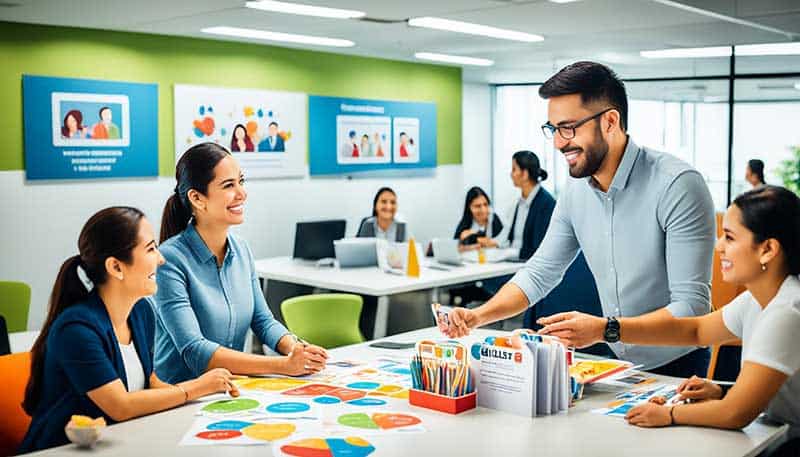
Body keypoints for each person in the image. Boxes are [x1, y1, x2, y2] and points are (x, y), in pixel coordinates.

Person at [442, 61, 717, 378]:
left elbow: (691, 308)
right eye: (553, 129)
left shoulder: (677, 185)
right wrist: (478, 316)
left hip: (680, 363)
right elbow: (540, 272)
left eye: (568, 127)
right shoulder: (576, 190)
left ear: (610, 121)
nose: (559, 142)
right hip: (619, 362)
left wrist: (606, 330)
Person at [541, 186, 800, 454]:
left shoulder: (785, 312)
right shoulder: (760, 299)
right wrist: (606, 329)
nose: (718, 246)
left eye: (730, 238)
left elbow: (735, 413)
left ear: (768, 249)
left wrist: (670, 414)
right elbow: (696, 330)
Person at [18, 207, 238, 453]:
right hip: (62, 450)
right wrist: (196, 387)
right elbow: (120, 405)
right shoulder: (76, 330)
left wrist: (205, 403)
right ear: (116, 267)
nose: (161, 259)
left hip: (119, 444)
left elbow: (150, 382)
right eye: (151, 249)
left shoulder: (141, 312)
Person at [154, 142, 327, 384]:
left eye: (241, 181)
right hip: (179, 399)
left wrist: (297, 349)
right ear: (197, 198)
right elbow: (195, 350)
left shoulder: (241, 250)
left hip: (231, 390)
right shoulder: (169, 259)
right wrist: (283, 365)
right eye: (228, 185)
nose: (242, 193)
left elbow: (263, 321)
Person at [493, 150, 552, 260]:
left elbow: (538, 249)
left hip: (529, 265)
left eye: (514, 169)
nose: (511, 174)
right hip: (514, 263)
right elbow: (511, 239)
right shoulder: (519, 203)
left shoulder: (546, 204)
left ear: (525, 174)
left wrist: (508, 253)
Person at [453, 186, 503, 250]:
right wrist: (471, 246)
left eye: (485, 204)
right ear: (469, 208)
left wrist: (474, 239)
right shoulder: (465, 221)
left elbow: (502, 243)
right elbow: (456, 247)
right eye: (478, 206)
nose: (483, 210)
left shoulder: (494, 219)